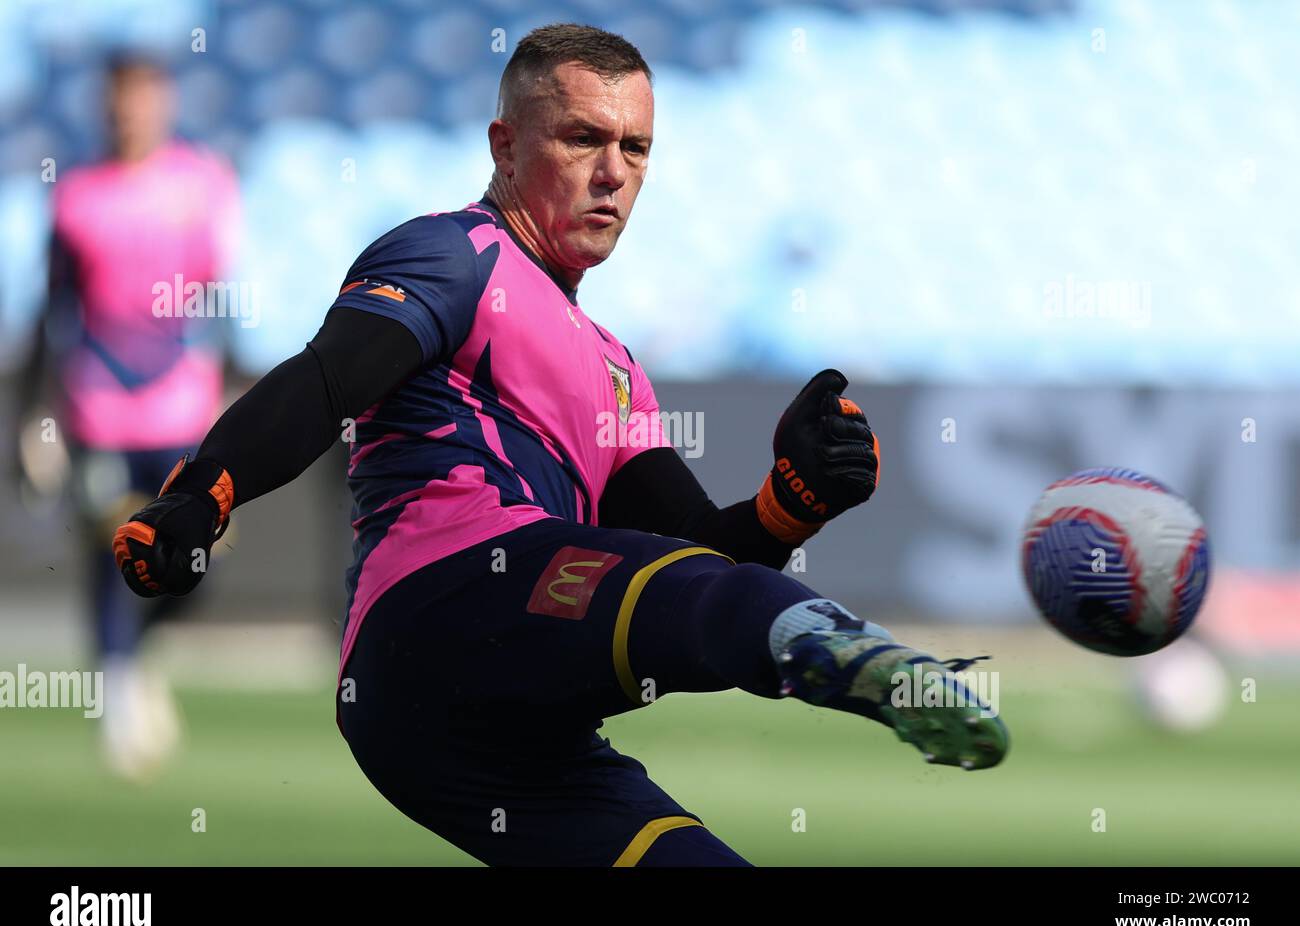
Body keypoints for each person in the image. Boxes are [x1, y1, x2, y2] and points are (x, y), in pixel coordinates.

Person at [113, 24, 1006, 865]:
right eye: (584, 139)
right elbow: (326, 379)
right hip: (435, 611)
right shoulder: (452, 256)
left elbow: (694, 559)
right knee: (698, 597)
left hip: (486, 732)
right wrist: (204, 491)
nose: (613, 173)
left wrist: (792, 502)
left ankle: (833, 654)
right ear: (505, 146)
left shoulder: (618, 370)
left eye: (637, 148)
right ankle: (870, 666)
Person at [15, 50, 241, 779]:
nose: (128, 113)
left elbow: (221, 302)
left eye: (140, 99)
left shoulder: (201, 186)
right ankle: (115, 691)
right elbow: (50, 311)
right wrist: (32, 418)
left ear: (163, 104)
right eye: (117, 101)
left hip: (179, 406)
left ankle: (138, 659)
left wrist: (236, 396)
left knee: (196, 562)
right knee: (109, 553)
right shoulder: (75, 195)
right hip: (98, 408)